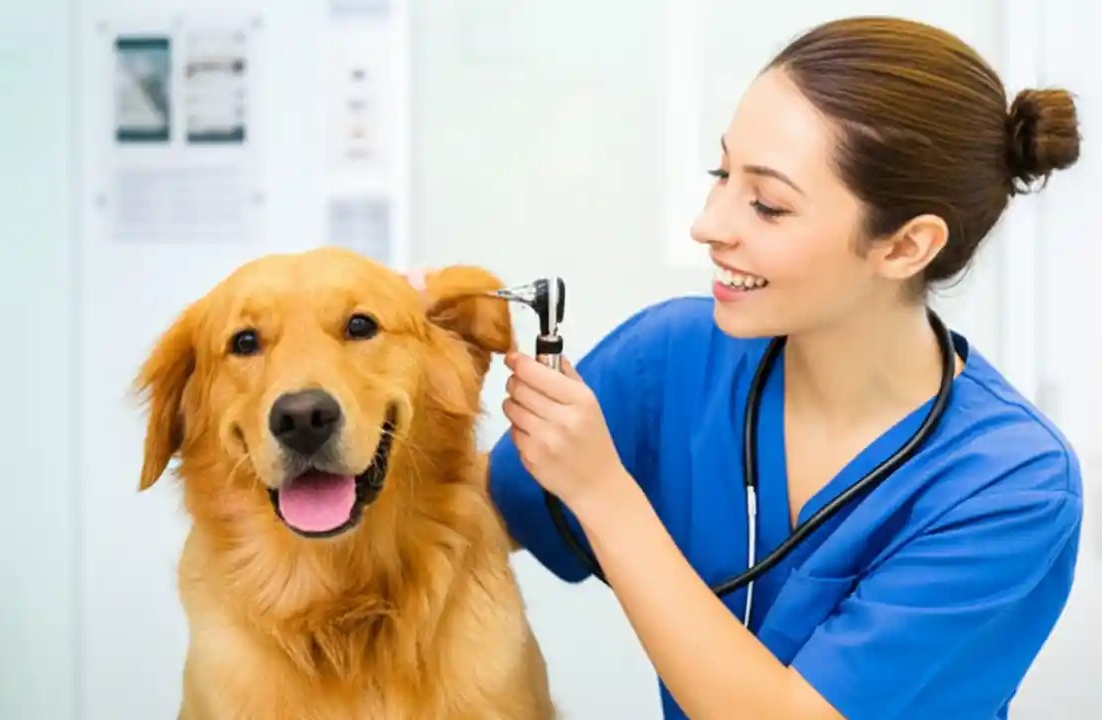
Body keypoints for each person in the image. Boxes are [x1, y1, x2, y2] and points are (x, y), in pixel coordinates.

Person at [410, 15, 1084, 720]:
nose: (709, 224)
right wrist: (372, 361)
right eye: (721, 174)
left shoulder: (1011, 486)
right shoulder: (671, 359)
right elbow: (464, 515)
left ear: (905, 246)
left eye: (767, 204)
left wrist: (604, 492)